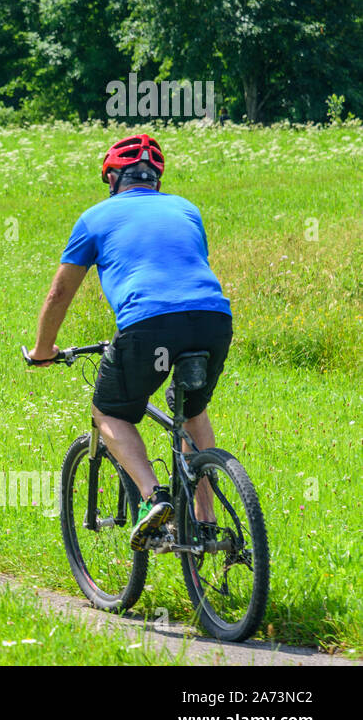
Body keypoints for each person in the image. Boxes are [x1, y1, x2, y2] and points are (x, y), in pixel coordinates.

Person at [27, 133, 232, 550]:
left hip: (149, 324)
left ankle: (154, 499)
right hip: (214, 318)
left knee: (110, 412)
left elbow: (59, 293)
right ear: (155, 179)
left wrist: (43, 350)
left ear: (112, 179)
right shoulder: (186, 209)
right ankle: (207, 520)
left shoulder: (95, 217)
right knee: (192, 408)